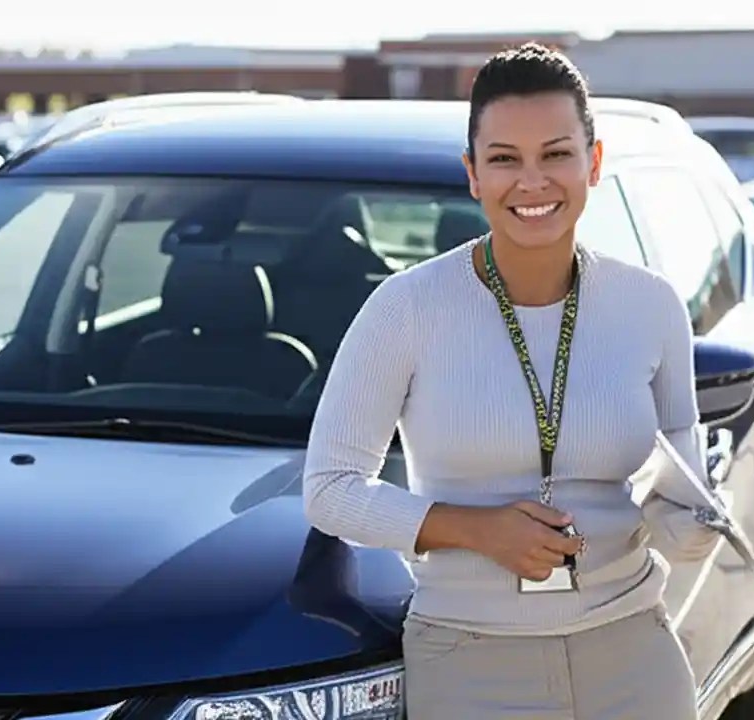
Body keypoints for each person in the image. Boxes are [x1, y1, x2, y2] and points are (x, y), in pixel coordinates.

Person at [301, 42, 722, 719]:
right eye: (504, 159)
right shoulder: (406, 308)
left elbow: (674, 472)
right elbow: (329, 492)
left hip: (633, 653)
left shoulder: (652, 305)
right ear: (472, 174)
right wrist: (474, 530)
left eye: (557, 154)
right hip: (469, 661)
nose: (533, 183)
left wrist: (694, 522)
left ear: (595, 163)